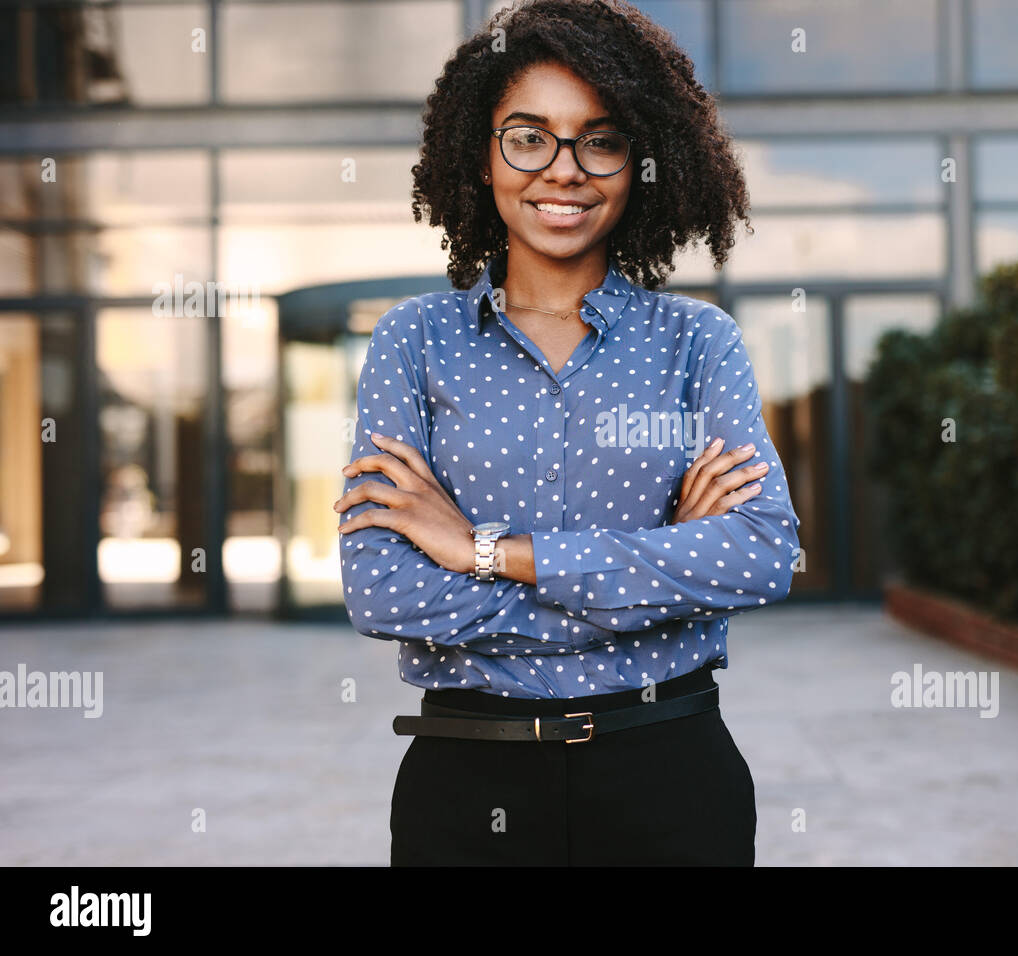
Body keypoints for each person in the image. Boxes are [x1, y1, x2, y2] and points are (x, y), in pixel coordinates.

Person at [333, 0, 800, 866]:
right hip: (468, 789)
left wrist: (482, 550)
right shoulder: (413, 340)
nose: (564, 170)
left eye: (601, 139)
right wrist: (665, 566)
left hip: (671, 777)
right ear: (482, 153)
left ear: (640, 159)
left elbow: (763, 554)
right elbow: (383, 594)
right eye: (528, 137)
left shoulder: (698, 343)